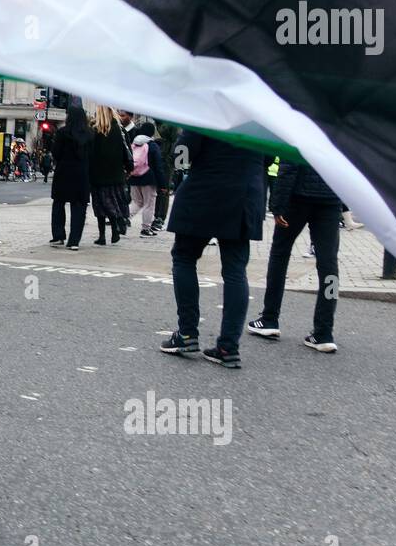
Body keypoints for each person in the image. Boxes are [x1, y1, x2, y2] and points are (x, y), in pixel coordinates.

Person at [159, 130, 267, 368]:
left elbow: (183, 154)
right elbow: (268, 158)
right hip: (246, 193)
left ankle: (187, 334)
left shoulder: (209, 106)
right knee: (236, 270)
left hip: (206, 190)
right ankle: (228, 347)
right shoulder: (260, 114)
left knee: (184, 257)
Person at [248, 162, 342, 353]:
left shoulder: (304, 130)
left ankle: (269, 318)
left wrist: (277, 205)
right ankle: (324, 332)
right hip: (330, 198)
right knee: (329, 266)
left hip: (297, 196)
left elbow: (288, 164)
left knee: (279, 256)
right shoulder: (340, 130)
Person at [48, 105, 92, 250]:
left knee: (59, 204)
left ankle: (58, 235)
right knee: (79, 207)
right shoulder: (90, 134)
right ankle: (74, 241)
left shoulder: (62, 133)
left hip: (64, 172)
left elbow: (56, 153)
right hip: (82, 174)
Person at [87, 105, 131, 245]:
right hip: (116, 174)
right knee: (113, 202)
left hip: (97, 174)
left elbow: (89, 153)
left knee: (99, 205)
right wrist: (129, 167)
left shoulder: (94, 130)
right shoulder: (119, 129)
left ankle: (102, 236)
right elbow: (126, 150)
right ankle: (115, 230)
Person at [128, 122, 165, 237]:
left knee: (136, 202)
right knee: (149, 204)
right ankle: (145, 229)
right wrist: (163, 184)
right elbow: (158, 167)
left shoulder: (134, 144)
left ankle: (124, 218)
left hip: (134, 176)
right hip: (149, 179)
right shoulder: (153, 146)